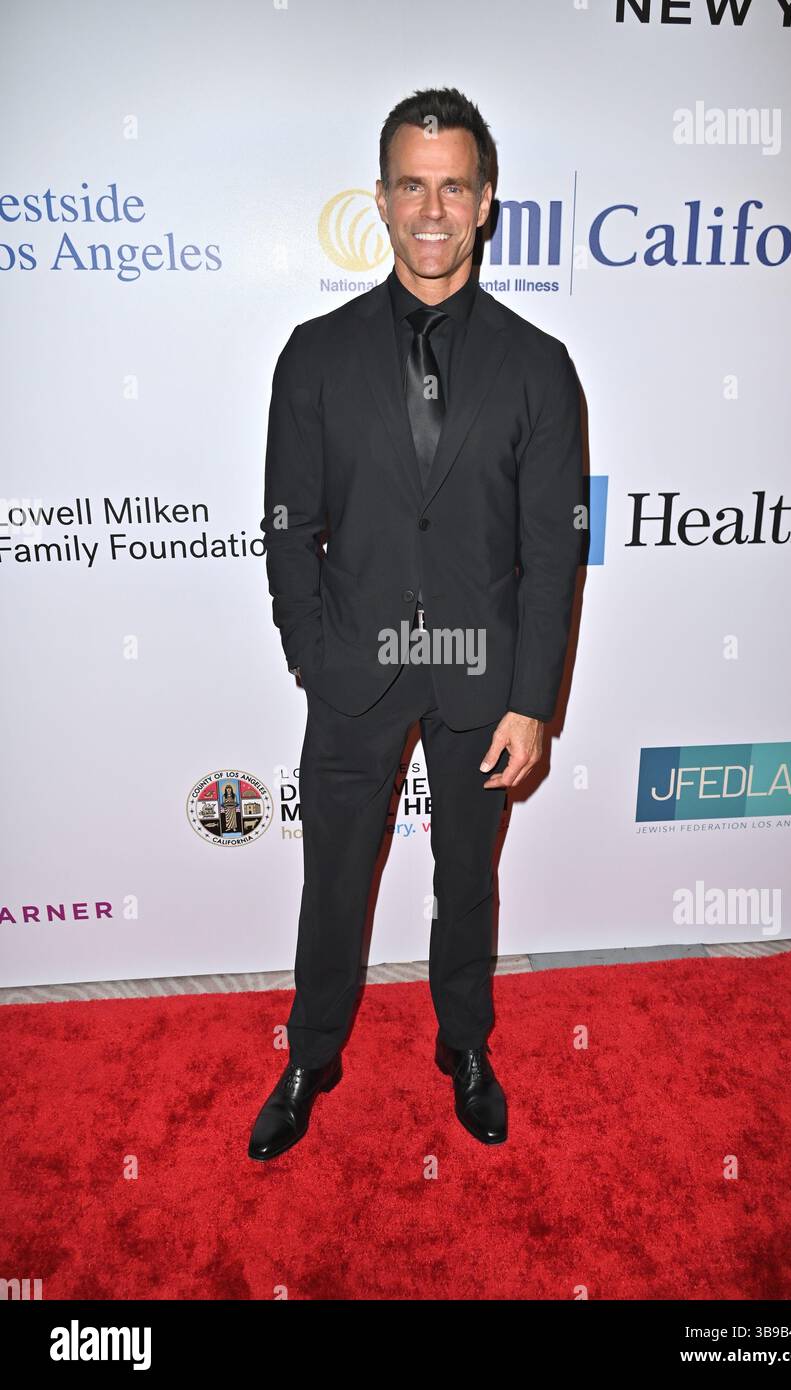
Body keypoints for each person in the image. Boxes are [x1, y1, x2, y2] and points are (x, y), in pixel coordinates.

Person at [249, 87, 584, 1159]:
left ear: (484, 203)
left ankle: (467, 1045)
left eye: (452, 186)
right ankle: (309, 1052)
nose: (430, 208)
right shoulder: (313, 353)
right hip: (355, 668)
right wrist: (310, 649)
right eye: (410, 184)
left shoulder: (539, 366)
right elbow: (288, 520)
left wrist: (534, 701)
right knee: (332, 879)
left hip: (482, 677)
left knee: (464, 880)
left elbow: (552, 551)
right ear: (381, 199)